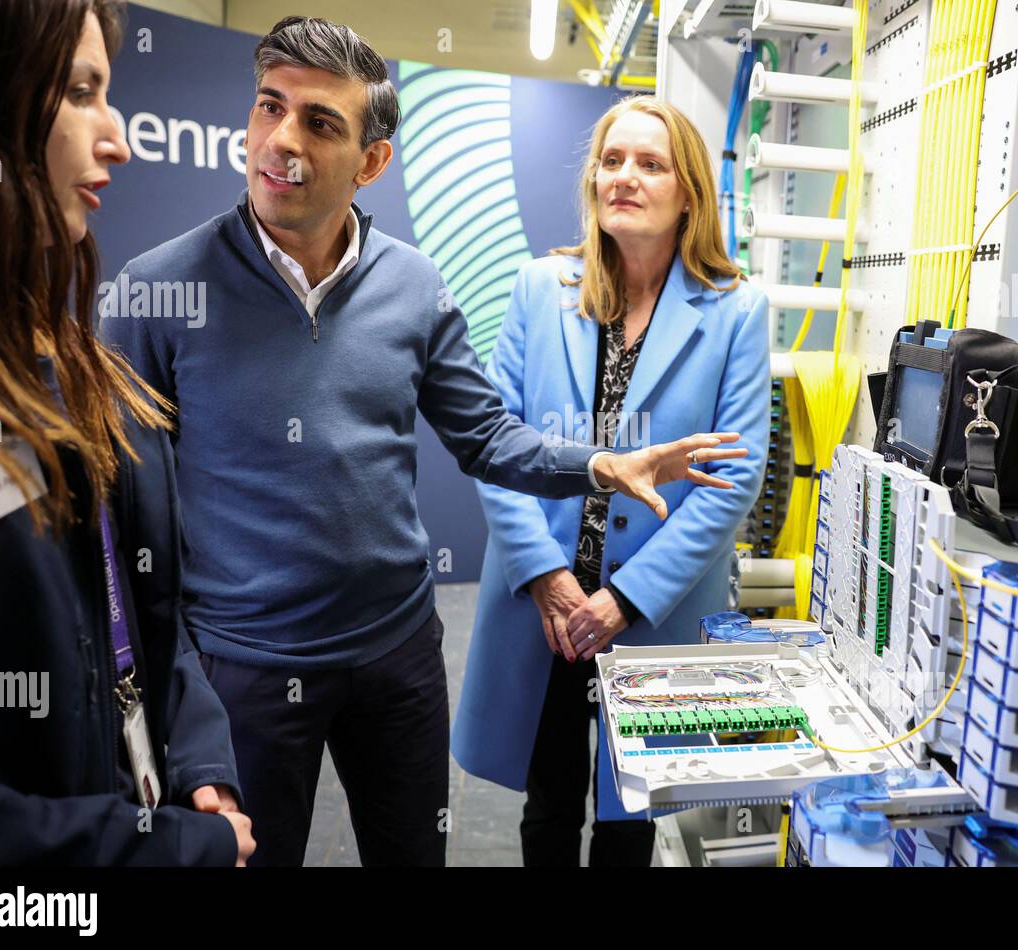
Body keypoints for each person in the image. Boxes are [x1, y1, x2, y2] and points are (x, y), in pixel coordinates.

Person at [99, 16, 746, 867]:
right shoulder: (155, 293)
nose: (281, 141)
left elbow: (486, 436)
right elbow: (126, 540)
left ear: (372, 162)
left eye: (320, 122)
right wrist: (183, 723)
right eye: (269, 107)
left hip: (396, 657)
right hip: (244, 671)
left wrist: (597, 464)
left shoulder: (413, 283)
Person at [0, 0, 253, 865]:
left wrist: (197, 760)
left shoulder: (80, 363)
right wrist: (167, 852)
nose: (116, 139)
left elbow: (152, 609)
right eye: (82, 92)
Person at [451, 97, 770, 866]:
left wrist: (626, 599)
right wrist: (547, 576)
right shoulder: (539, 288)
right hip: (548, 608)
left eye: (650, 164)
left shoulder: (736, 311)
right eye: (612, 160)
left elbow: (733, 476)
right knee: (549, 805)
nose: (623, 177)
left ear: (689, 192)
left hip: (649, 614)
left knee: (631, 818)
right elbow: (499, 446)